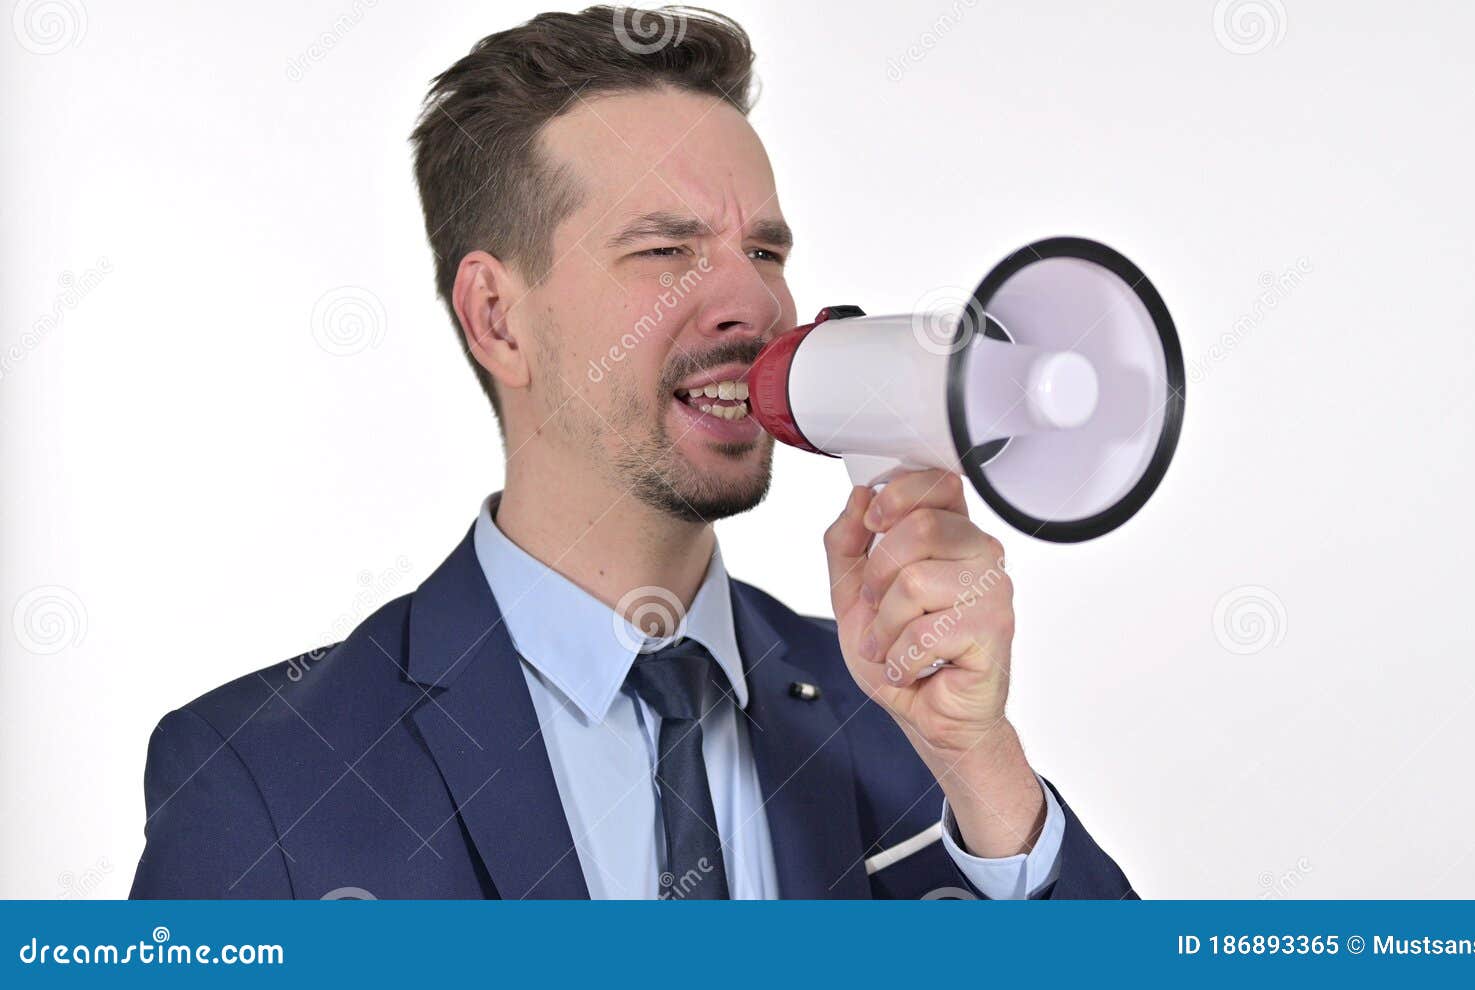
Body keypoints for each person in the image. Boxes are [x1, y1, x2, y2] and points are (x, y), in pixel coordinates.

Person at [130, 5, 1134, 900]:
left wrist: (982, 769)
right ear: (497, 318)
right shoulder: (264, 778)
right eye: (665, 250)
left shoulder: (900, 711)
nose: (755, 304)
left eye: (765, 252)